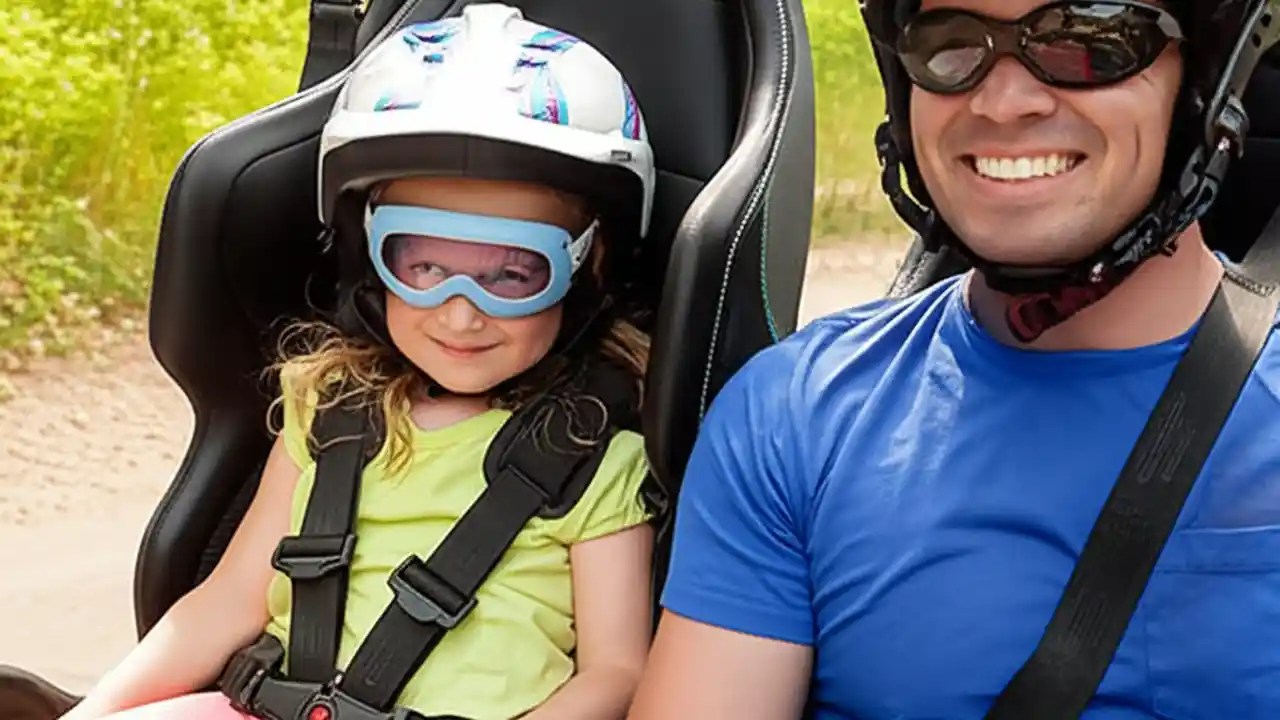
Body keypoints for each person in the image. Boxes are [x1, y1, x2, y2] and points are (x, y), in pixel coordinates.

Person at [628, 0, 1280, 718]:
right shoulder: (793, 421)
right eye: (950, 43)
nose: (1004, 101)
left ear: (1202, 87)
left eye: (1088, 40)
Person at [62, 5, 660, 720]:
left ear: (583, 271)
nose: (463, 311)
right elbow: (228, 601)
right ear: (367, 256)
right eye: (426, 264)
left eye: (512, 273)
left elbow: (617, 672)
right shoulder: (329, 406)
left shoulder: (595, 459)